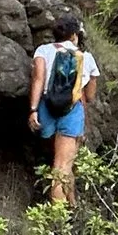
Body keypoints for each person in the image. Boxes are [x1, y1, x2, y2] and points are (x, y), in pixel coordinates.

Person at [27, 14, 100, 206]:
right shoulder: (86, 58)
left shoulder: (42, 50)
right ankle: (58, 221)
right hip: (71, 112)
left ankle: (72, 203)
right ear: (74, 35)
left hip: (46, 109)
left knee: (65, 162)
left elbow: (38, 80)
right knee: (61, 167)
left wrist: (33, 110)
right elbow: (90, 96)